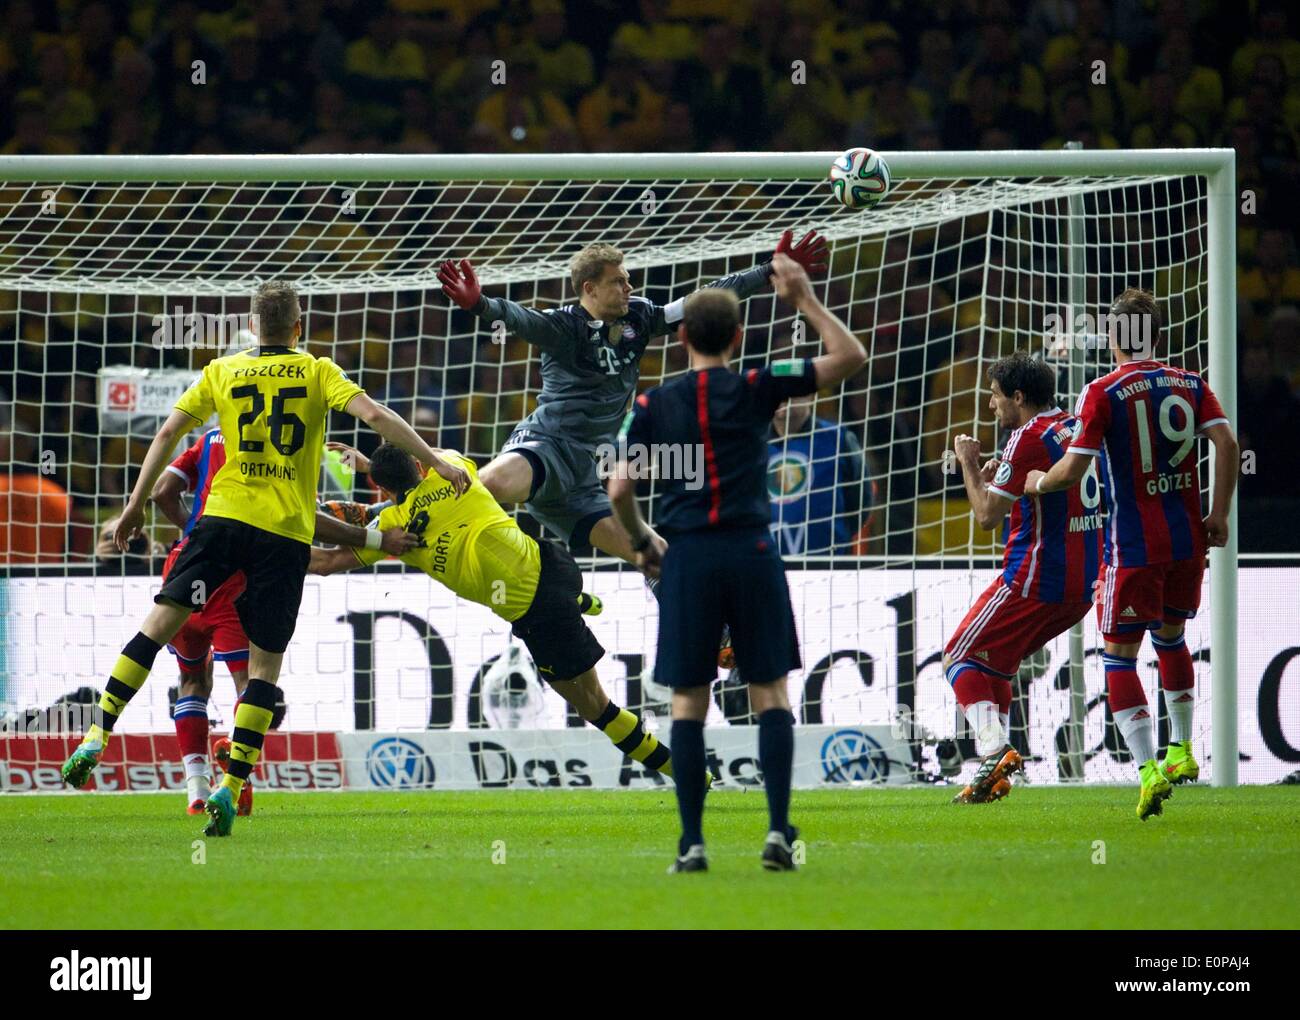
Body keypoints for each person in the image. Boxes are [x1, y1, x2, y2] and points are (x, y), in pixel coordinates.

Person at [60, 281, 468, 839]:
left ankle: (97, 733)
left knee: (155, 629)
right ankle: (229, 789)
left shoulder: (223, 371)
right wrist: (436, 462)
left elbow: (165, 431)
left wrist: (132, 509)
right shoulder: (319, 371)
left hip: (222, 521)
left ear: (253, 327)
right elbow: (377, 417)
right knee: (264, 670)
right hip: (283, 535)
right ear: (299, 328)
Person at [609, 253, 866, 873]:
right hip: (752, 552)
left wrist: (643, 540)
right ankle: (777, 833)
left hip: (688, 560)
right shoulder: (760, 383)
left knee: (688, 703)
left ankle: (693, 844)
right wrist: (803, 298)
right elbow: (851, 356)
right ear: (737, 336)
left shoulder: (652, 405)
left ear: (680, 338)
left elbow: (617, 486)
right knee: (771, 691)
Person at [308, 442, 679, 782]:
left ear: (384, 491)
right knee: (549, 581)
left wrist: (276, 543)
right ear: (419, 466)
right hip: (555, 563)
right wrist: (372, 465)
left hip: (539, 615)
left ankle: (684, 772)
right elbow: (426, 454)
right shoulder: (452, 467)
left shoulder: (393, 529)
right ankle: (581, 601)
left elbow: (326, 562)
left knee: (596, 708)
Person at [1026, 289, 1238, 820]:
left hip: (1134, 547)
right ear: (1158, 335)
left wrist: (1036, 482)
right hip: (1189, 542)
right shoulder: (1191, 383)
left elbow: (1071, 472)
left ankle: (1147, 771)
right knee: (1171, 637)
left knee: (1118, 656)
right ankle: (1182, 751)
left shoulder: (1101, 391)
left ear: (1112, 340)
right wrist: (1219, 514)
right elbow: (1229, 445)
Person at [150, 425, 415, 817]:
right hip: (235, 578)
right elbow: (317, 542)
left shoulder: (208, 441)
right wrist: (377, 537)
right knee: (254, 685)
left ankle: (195, 790)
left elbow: (160, 492)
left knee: (191, 680)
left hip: (185, 566)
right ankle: (237, 783)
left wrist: (194, 532)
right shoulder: (281, 453)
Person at [943, 351, 1104, 804]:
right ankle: (993, 777)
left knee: (959, 656)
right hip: (1081, 587)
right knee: (996, 665)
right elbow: (1044, 492)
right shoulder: (1074, 427)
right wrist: (1003, 478)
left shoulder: (1025, 436)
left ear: (1018, 396)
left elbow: (986, 516)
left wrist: (968, 464)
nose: (991, 405)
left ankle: (994, 751)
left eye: (995, 396)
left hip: (1034, 579)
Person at [768, 393, 869, 556]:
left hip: (825, 565)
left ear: (811, 395)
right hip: (767, 564)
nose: (783, 394)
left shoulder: (839, 439)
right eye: (776, 388)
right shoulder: (752, 443)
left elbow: (861, 502)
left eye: (791, 387)